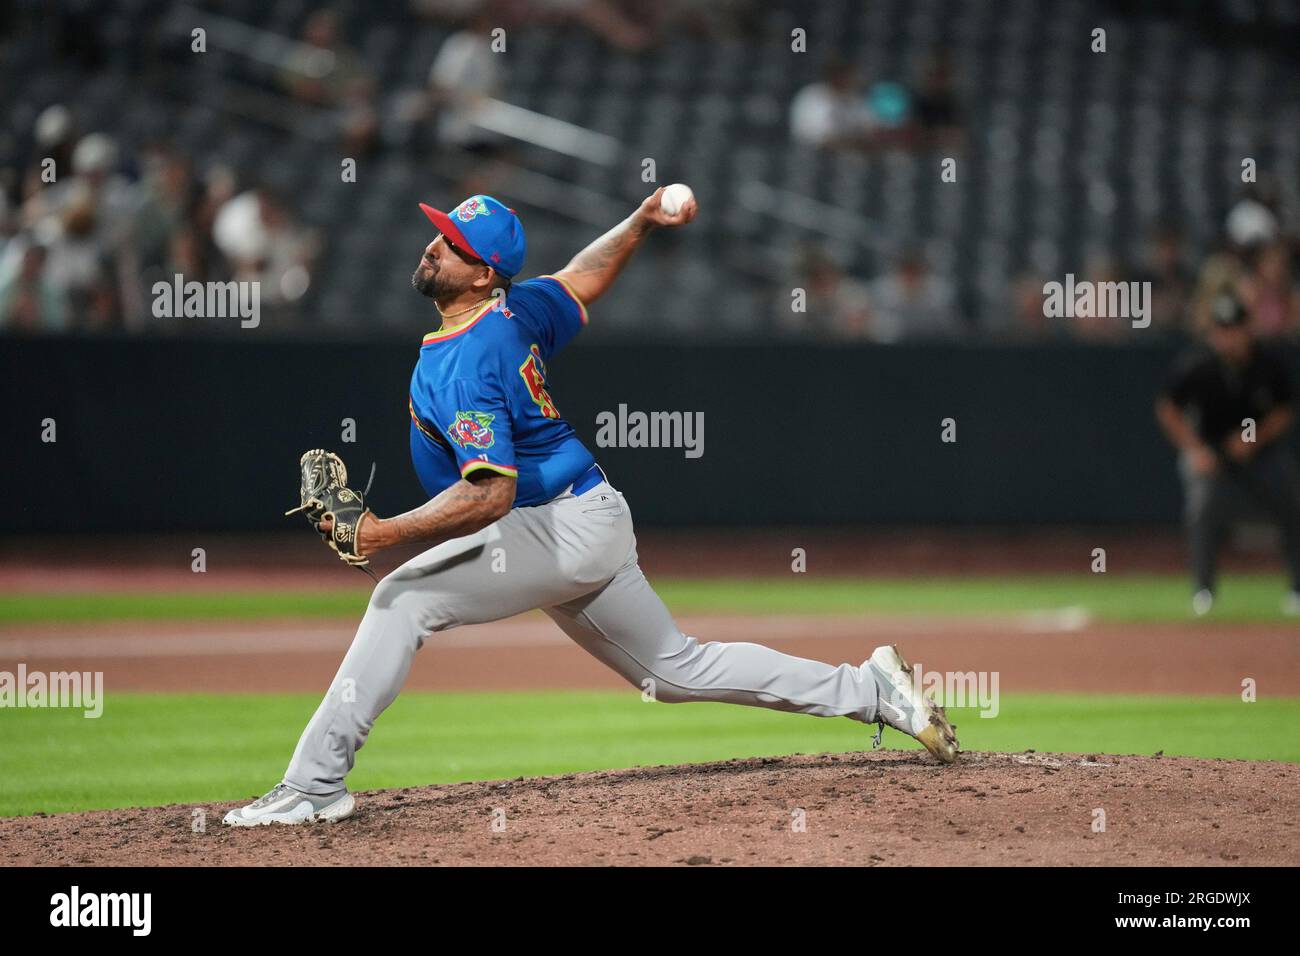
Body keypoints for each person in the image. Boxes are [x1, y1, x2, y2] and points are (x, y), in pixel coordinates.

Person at [223, 189, 960, 826]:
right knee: (675, 671)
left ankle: (313, 786)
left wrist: (384, 532)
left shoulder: (468, 357)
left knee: (401, 599)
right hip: (586, 518)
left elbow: (492, 491)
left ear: (481, 273)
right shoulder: (516, 308)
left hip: (549, 526)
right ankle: (871, 689)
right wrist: (638, 221)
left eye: (452, 244)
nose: (433, 245)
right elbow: (583, 278)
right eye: (439, 232)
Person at [1155, 292, 1300, 616]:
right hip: (1213, 455)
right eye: (1221, 329)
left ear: (1247, 329)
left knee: (1292, 502)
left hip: (1260, 455)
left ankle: (1298, 589)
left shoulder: (1268, 364)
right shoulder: (1199, 365)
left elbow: (1284, 410)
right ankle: (1203, 591)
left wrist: (1253, 439)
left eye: (1234, 328)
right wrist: (1195, 450)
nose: (1227, 336)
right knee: (1202, 508)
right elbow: (1167, 408)